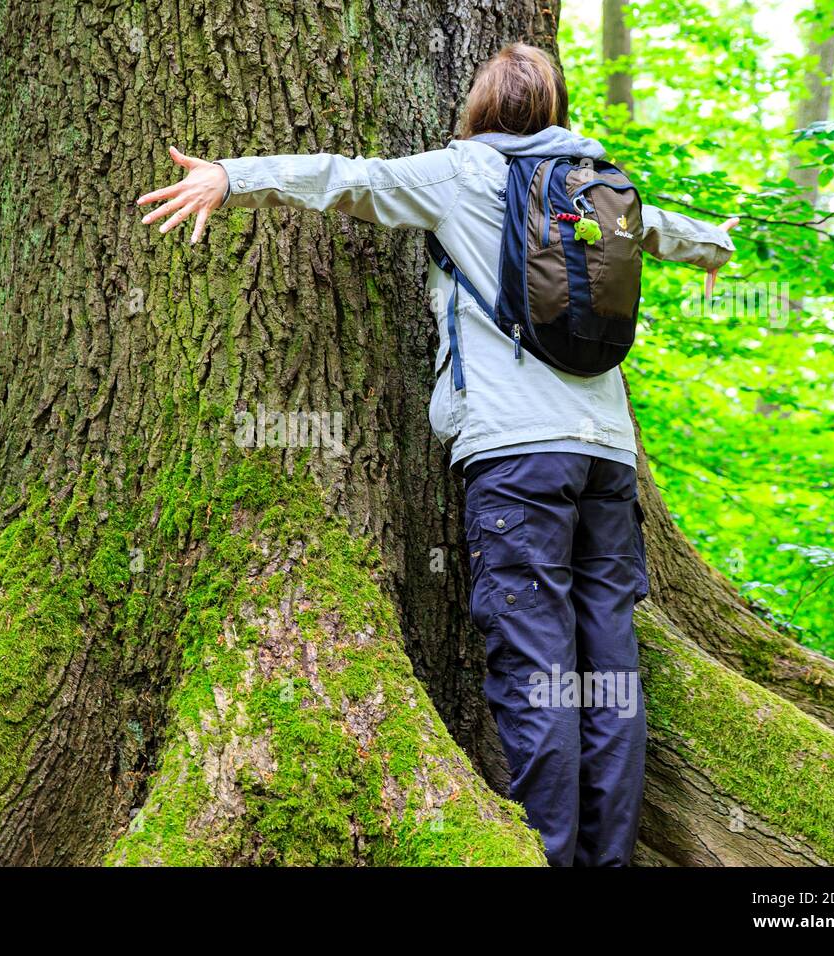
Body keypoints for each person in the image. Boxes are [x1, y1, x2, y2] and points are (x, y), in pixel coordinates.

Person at [137, 42, 737, 866]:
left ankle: (549, 857)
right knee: (608, 676)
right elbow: (665, 232)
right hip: (606, 459)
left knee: (537, 673)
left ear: (483, 108)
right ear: (557, 108)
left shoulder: (464, 174)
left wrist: (231, 177)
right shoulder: (601, 184)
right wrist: (717, 246)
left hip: (518, 460)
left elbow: (349, 178)